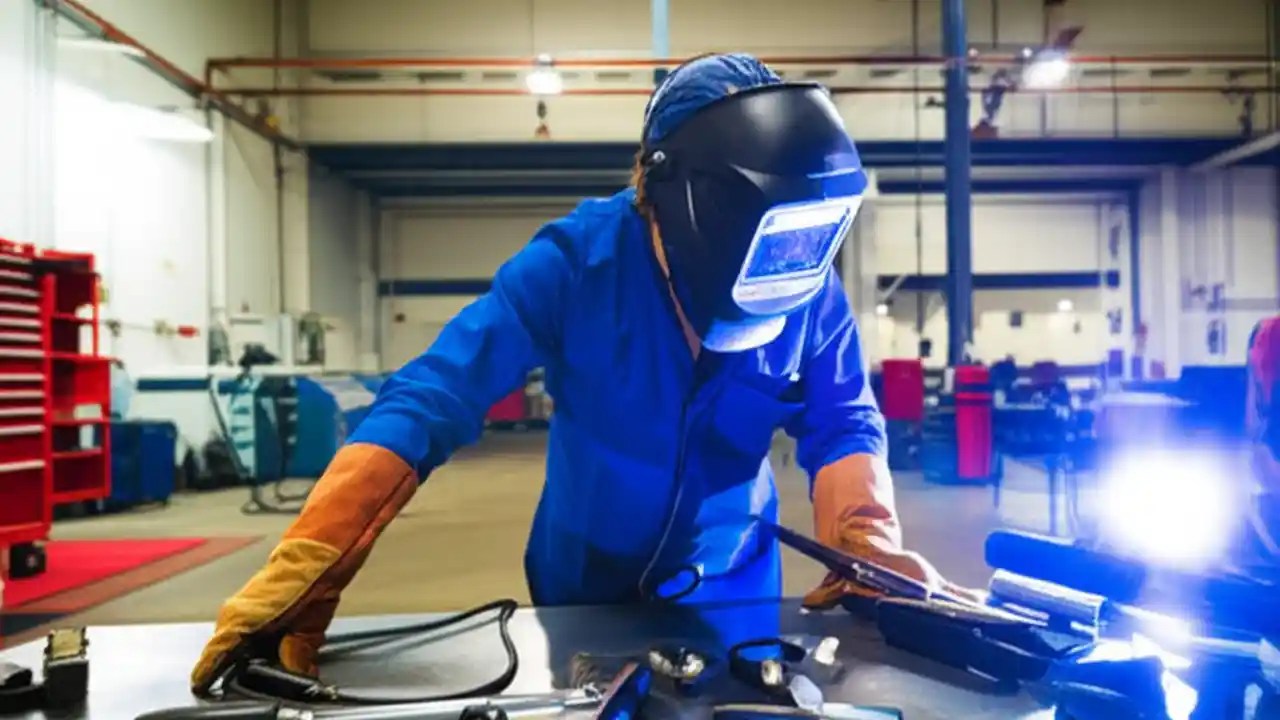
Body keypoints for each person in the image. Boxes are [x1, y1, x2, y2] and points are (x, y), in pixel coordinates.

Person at [190, 53, 973, 693]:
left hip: (736, 593)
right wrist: (315, 551)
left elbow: (842, 420)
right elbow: (434, 393)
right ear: (662, 198)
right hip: (583, 592)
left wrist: (866, 538)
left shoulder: (803, 283)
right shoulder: (572, 264)